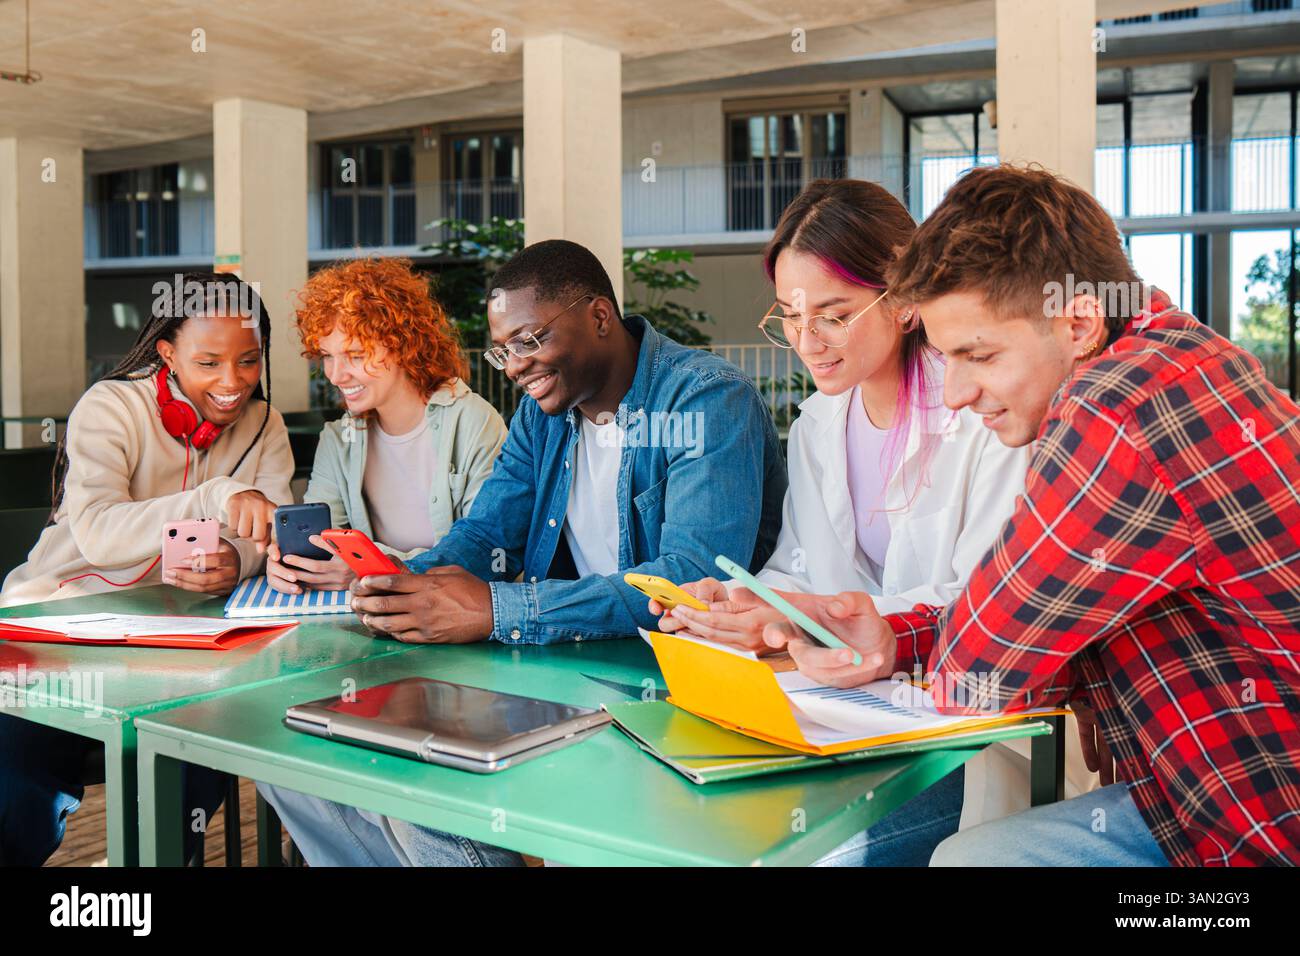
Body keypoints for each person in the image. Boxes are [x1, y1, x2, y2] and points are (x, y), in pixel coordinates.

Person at [768, 164, 1300, 866]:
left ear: (1077, 322)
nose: (954, 393)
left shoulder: (1116, 409)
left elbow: (982, 665)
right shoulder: (1173, 352)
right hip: (1185, 788)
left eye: (977, 355)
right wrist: (898, 639)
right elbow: (1024, 635)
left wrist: (986, 656)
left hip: (1251, 823)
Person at [258, 238, 788, 865]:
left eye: (529, 341)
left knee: (433, 809)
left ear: (597, 317)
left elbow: (687, 578)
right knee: (297, 763)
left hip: (678, 690)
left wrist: (499, 611)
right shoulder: (546, 412)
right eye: (503, 348)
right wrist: (401, 580)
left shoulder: (703, 398)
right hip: (570, 670)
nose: (512, 365)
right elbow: (487, 534)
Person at [648, 178, 1070, 865]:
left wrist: (800, 612)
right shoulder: (820, 421)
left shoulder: (983, 408)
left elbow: (979, 602)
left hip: (952, 729)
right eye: (788, 315)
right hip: (847, 712)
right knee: (708, 823)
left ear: (904, 299)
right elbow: (802, 565)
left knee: (819, 852)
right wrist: (744, 601)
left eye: (834, 314)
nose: (806, 341)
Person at [0, 272, 293, 865]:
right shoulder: (110, 405)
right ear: (167, 351)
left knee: (207, 740)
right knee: (16, 765)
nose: (232, 382)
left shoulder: (267, 425)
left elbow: (274, 532)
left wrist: (236, 560)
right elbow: (101, 532)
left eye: (248, 361)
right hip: (57, 632)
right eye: (208, 361)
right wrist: (216, 496)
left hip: (176, 648)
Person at [264, 258, 506, 593]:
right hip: (375, 617)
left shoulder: (473, 421)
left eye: (356, 355)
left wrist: (370, 567)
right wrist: (291, 565)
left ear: (404, 346)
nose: (335, 375)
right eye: (328, 356)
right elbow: (322, 544)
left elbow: (489, 553)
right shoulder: (339, 439)